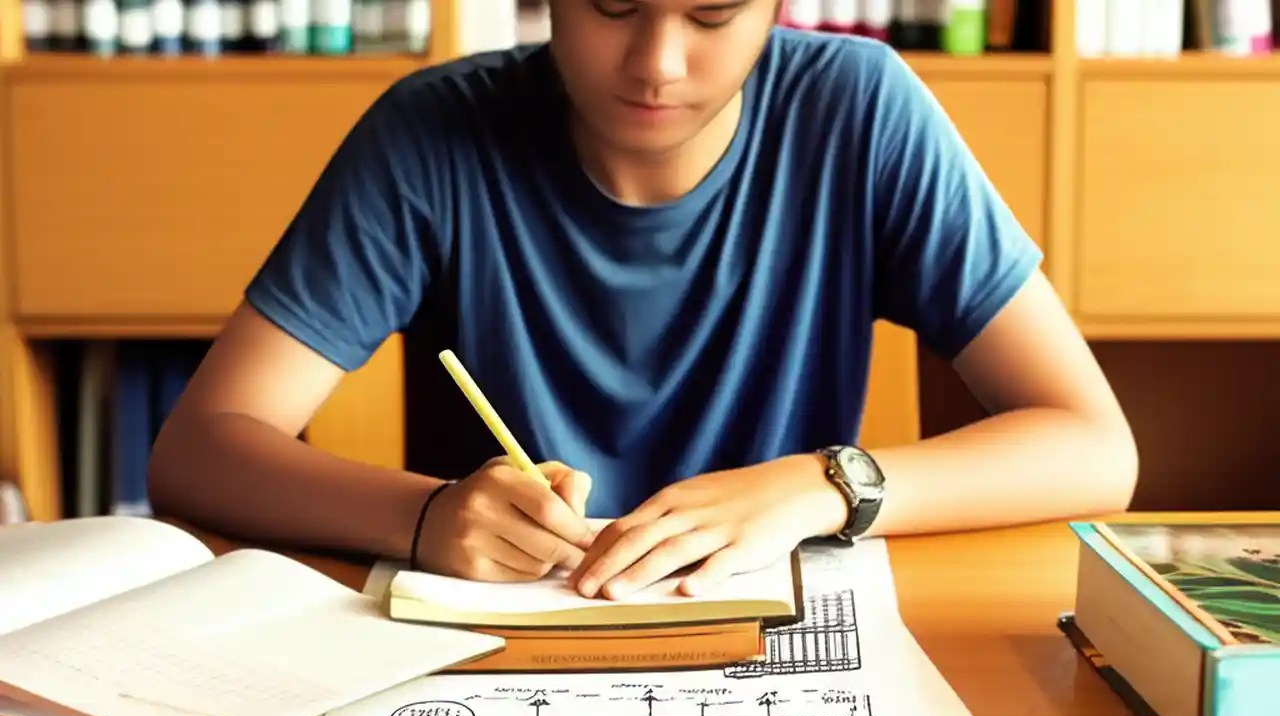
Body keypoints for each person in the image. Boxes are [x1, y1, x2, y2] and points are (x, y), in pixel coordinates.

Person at [149, 0, 1138, 602]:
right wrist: (427, 516)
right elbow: (197, 451)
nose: (657, 63)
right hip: (503, 641)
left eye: (712, 14)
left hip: (770, 634)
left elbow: (1093, 446)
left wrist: (823, 485)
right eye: (613, 5)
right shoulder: (430, 136)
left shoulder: (860, 111)